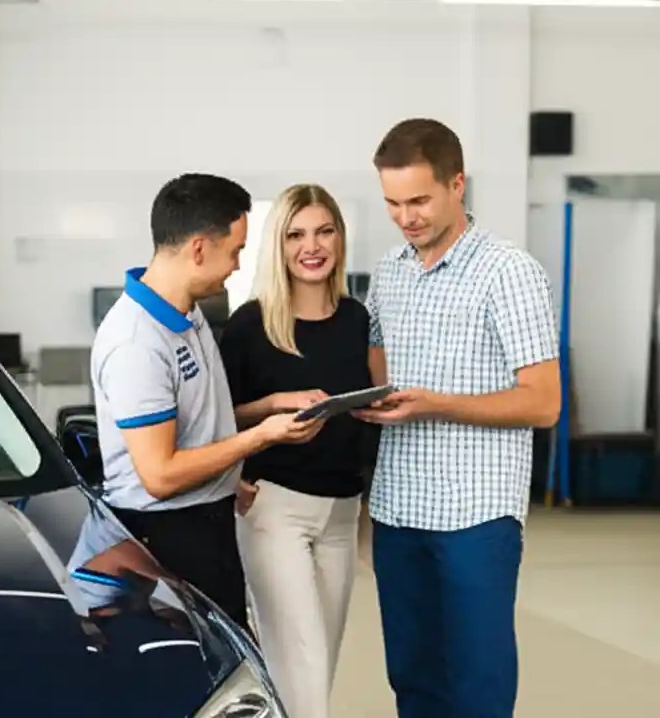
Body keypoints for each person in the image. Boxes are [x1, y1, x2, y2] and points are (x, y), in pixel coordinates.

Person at [354, 118, 561, 718]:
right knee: (412, 677)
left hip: (476, 514)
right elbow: (378, 366)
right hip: (398, 508)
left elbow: (543, 402)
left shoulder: (509, 272)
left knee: (477, 682)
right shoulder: (390, 272)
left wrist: (436, 402)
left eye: (419, 199)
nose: (406, 216)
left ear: (456, 184)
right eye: (393, 202)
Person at [89, 172, 325, 632]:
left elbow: (195, 423)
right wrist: (259, 438)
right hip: (163, 538)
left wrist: (270, 406)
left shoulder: (188, 313)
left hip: (205, 522)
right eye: (235, 250)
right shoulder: (137, 343)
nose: (237, 264)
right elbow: (160, 474)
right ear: (200, 248)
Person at [218, 183, 376, 718]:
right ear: (279, 245)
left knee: (316, 665)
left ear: (340, 237)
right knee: (301, 663)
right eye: (296, 234)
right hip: (274, 508)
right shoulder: (250, 323)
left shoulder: (360, 320)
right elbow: (217, 417)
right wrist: (273, 405)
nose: (313, 246)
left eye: (324, 230)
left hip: (342, 511)